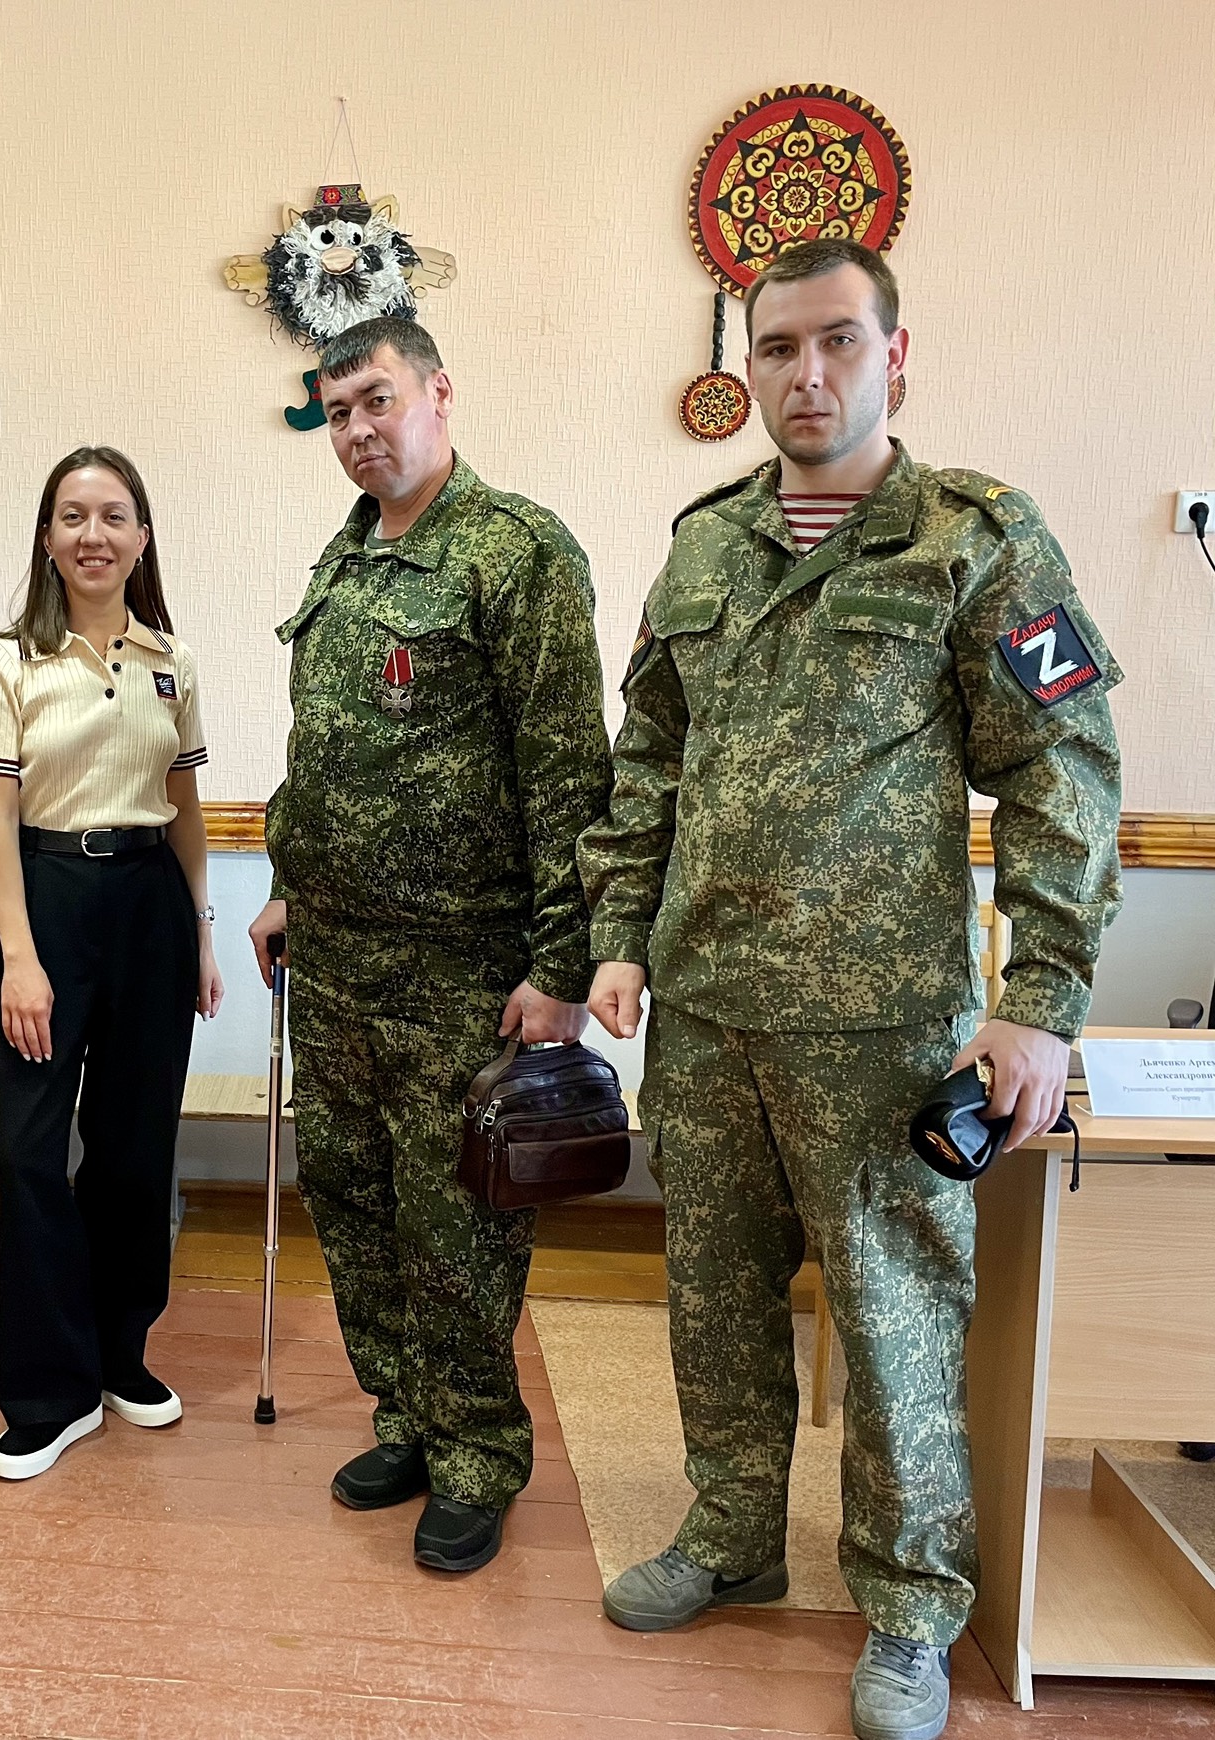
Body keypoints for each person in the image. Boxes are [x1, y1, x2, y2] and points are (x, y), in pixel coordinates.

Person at [580, 239, 1121, 1740]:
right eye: (776, 348)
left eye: (835, 342)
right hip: (706, 1008)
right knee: (714, 1299)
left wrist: (1040, 998)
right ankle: (732, 1534)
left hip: (880, 1028)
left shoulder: (975, 540)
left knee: (892, 1326)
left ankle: (909, 1609)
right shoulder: (703, 546)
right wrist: (618, 935)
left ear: (895, 357)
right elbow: (651, 759)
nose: (804, 375)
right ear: (749, 365)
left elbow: (1061, 769)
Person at [247, 316, 614, 1572]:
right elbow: (325, 752)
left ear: (437, 393)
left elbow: (566, 773)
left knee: (456, 1224)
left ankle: (475, 1454)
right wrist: (287, 885)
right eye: (335, 410)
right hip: (337, 960)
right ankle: (404, 1418)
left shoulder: (513, 553)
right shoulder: (344, 561)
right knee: (352, 1202)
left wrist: (560, 971)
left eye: (376, 399)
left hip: (461, 969)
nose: (356, 429)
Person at [0, 446, 222, 1480]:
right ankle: (48, 1392)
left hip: (148, 906)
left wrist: (200, 931)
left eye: (113, 515)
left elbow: (185, 807)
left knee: (132, 1149)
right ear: (46, 537)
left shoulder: (171, 660)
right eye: (72, 516)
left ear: (141, 536)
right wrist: (19, 959)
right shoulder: (6, 661)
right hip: (47, 900)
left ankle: (120, 1355)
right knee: (31, 1152)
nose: (93, 535)